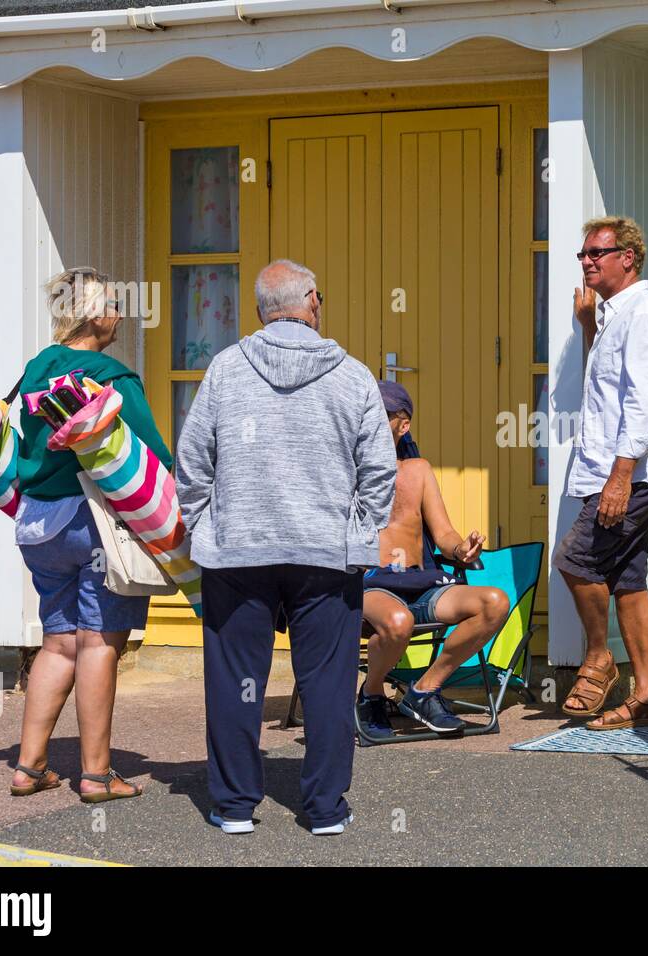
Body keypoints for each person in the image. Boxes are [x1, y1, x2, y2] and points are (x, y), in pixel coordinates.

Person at [175, 259, 397, 835]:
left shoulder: (225, 369)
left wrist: (204, 525)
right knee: (326, 679)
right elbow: (379, 470)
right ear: (314, 301)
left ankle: (233, 806)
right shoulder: (353, 376)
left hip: (239, 550)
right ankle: (324, 809)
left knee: (235, 679)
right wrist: (360, 529)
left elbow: (193, 460)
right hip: (324, 552)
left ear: (259, 311)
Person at [10, 267, 172, 802]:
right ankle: (97, 774)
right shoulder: (109, 373)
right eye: (115, 306)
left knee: (57, 642)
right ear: (97, 314)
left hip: (37, 522)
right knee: (100, 642)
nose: (121, 316)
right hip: (92, 521)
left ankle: (29, 767)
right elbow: (147, 452)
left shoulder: (36, 369)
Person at [553, 216, 648, 730]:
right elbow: (607, 387)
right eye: (583, 255)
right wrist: (588, 328)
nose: (587, 262)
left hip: (635, 473)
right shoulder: (611, 317)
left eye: (596, 253)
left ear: (627, 257)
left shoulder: (647, 313)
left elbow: (645, 400)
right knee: (628, 582)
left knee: (575, 559)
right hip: (616, 470)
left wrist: (620, 476)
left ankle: (598, 658)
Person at [356, 382, 510, 739]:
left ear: (403, 424)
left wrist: (461, 549)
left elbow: (443, 534)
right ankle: (372, 692)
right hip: (370, 585)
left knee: (494, 603)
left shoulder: (418, 470)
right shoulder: (346, 469)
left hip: (421, 581)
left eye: (381, 414)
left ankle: (424, 691)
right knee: (398, 620)